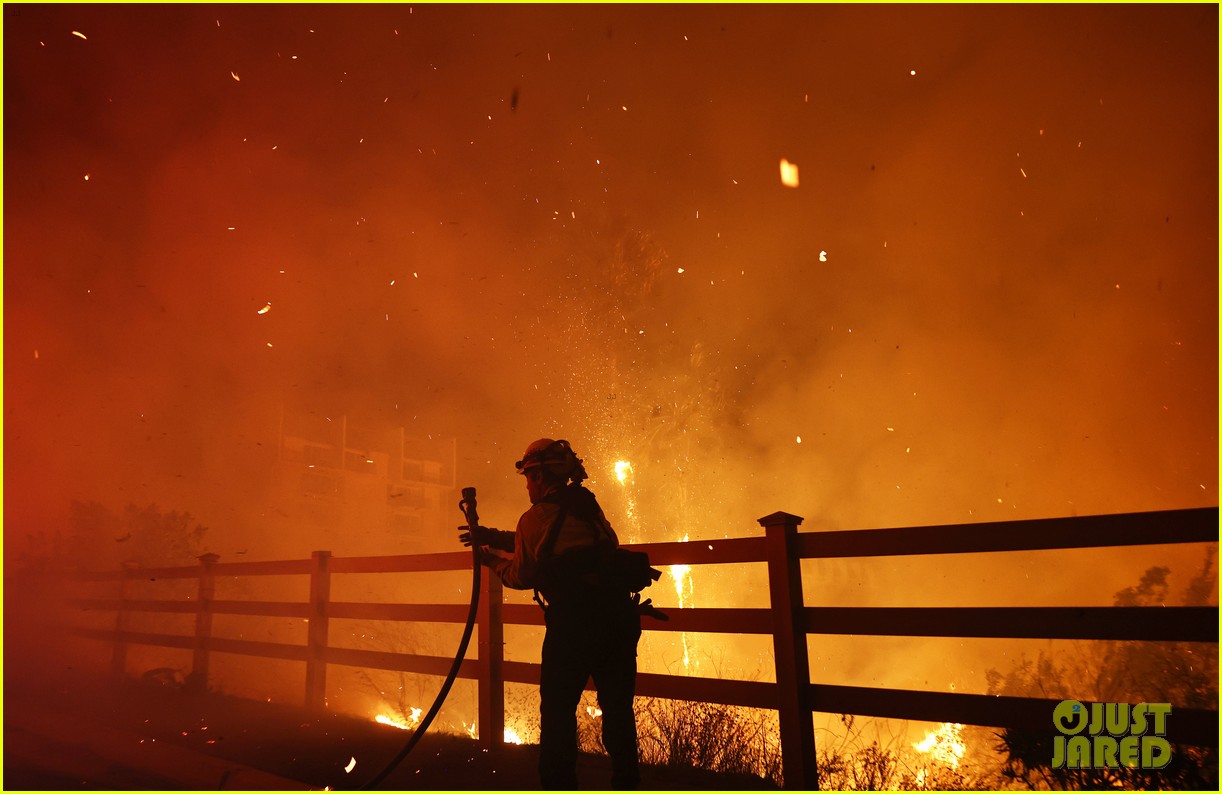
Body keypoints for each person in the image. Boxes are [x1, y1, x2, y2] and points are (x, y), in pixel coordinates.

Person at [459, 438, 642, 790]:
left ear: (540, 477)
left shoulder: (535, 516)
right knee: (618, 711)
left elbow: (521, 574)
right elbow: (553, 542)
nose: (527, 485)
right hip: (618, 619)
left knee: (558, 714)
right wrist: (491, 535)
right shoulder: (587, 505)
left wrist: (490, 559)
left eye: (529, 478)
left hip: (573, 626)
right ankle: (627, 782)